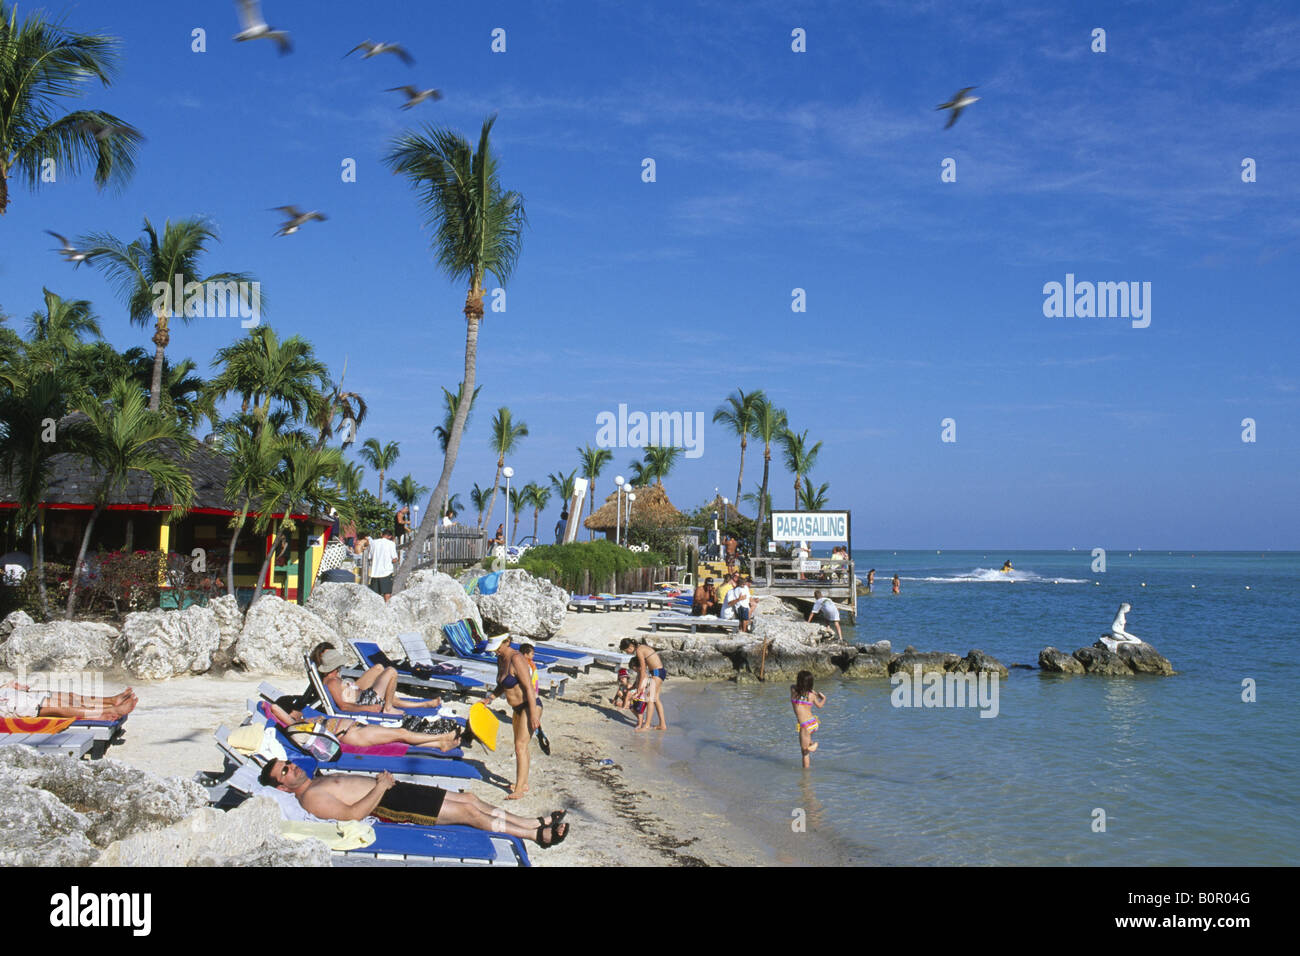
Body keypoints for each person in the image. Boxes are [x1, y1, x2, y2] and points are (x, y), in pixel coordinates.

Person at [259, 759, 570, 847]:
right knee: (469, 813)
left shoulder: (314, 778)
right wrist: (380, 786)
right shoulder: (311, 798)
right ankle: (534, 835)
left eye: (287, 763)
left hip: (396, 790)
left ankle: (533, 822)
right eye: (284, 771)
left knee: (471, 799)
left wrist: (383, 783)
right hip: (391, 804)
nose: (292, 767)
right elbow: (353, 814)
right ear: (283, 787)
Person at [265, 696, 462, 752]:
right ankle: (440, 738)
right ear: (290, 713)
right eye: (297, 710)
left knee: (401, 739)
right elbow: (275, 708)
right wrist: (274, 708)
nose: (301, 711)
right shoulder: (294, 725)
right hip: (351, 735)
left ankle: (438, 744)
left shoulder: (300, 722)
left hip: (355, 729)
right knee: (401, 733)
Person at [483, 635, 542, 799]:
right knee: (522, 747)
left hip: (530, 705)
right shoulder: (501, 659)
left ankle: (518, 790)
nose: (496, 651)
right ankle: (523, 783)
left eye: (498, 647)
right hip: (516, 708)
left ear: (507, 642)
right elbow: (503, 684)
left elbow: (529, 688)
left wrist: (533, 715)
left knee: (519, 745)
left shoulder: (517, 659)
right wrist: (491, 698)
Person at [315, 646, 439, 713]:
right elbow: (343, 706)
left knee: (380, 668)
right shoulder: (332, 682)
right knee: (391, 671)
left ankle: (423, 704)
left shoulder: (332, 677)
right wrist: (367, 708)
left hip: (359, 693)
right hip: (364, 700)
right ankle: (388, 708)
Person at [1, 681, 136, 720]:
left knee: (69, 697)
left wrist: (9, 685)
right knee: (57, 706)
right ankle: (107, 711)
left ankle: (112, 700)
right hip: (5, 703)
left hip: (5, 694)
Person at [620, 638, 667, 732]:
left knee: (650, 698)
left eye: (626, 651)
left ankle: (647, 725)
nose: (627, 653)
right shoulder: (642, 647)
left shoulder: (639, 651)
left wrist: (640, 686)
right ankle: (662, 725)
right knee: (656, 699)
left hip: (656, 673)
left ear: (630, 647)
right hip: (660, 671)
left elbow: (642, 669)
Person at [790, 671, 827, 768]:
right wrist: (823, 698)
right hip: (813, 723)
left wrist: (808, 689)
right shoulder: (812, 695)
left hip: (805, 726)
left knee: (805, 753)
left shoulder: (793, 690)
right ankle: (811, 744)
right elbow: (819, 705)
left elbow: (794, 685)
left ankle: (805, 778)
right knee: (806, 741)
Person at [367, 529, 398, 603]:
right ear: (390, 536)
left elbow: (370, 557)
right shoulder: (391, 544)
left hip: (375, 572)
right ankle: (387, 609)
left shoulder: (373, 543)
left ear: (382, 534)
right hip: (386, 571)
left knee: (374, 594)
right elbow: (394, 559)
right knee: (387, 593)